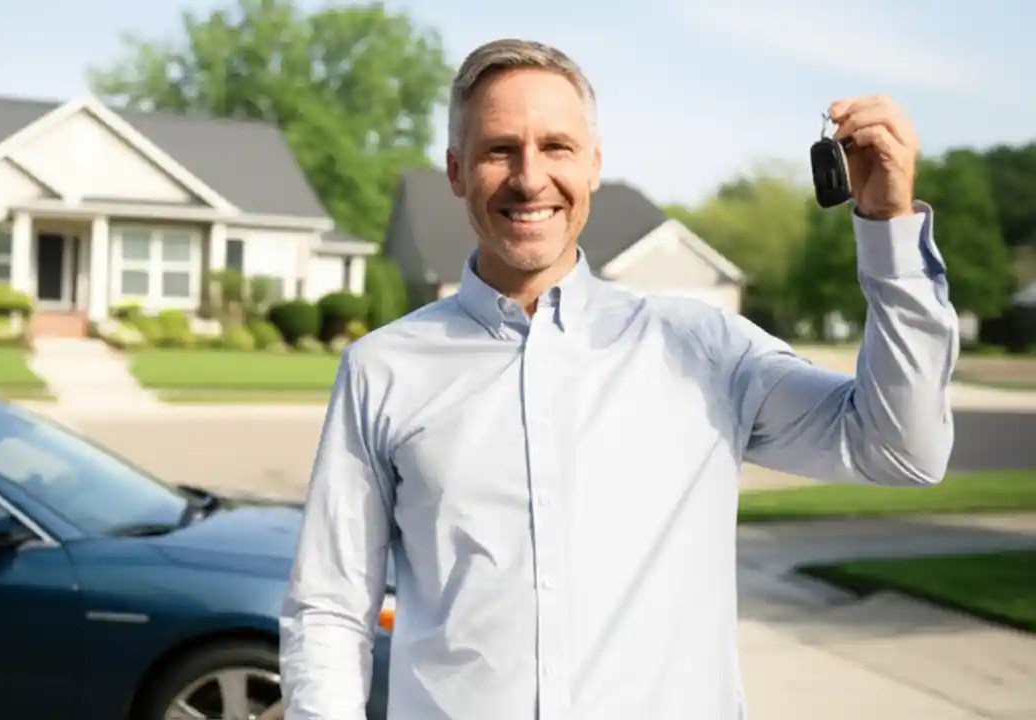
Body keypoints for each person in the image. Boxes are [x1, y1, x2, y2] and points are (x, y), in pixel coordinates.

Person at [279, 37, 958, 720]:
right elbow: (330, 610)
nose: (529, 177)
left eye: (556, 147)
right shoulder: (382, 370)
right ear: (456, 171)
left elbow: (903, 449)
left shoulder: (704, 350)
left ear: (595, 164)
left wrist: (888, 231)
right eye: (498, 150)